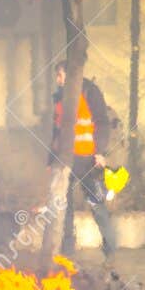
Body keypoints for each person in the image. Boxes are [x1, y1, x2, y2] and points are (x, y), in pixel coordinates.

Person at [50, 64, 117, 256]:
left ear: (70, 75)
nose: (58, 80)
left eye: (60, 75)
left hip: (89, 160)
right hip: (65, 160)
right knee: (65, 207)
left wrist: (100, 151)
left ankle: (110, 250)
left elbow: (102, 122)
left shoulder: (90, 92)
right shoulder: (59, 97)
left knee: (97, 205)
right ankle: (67, 250)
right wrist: (51, 159)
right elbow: (56, 130)